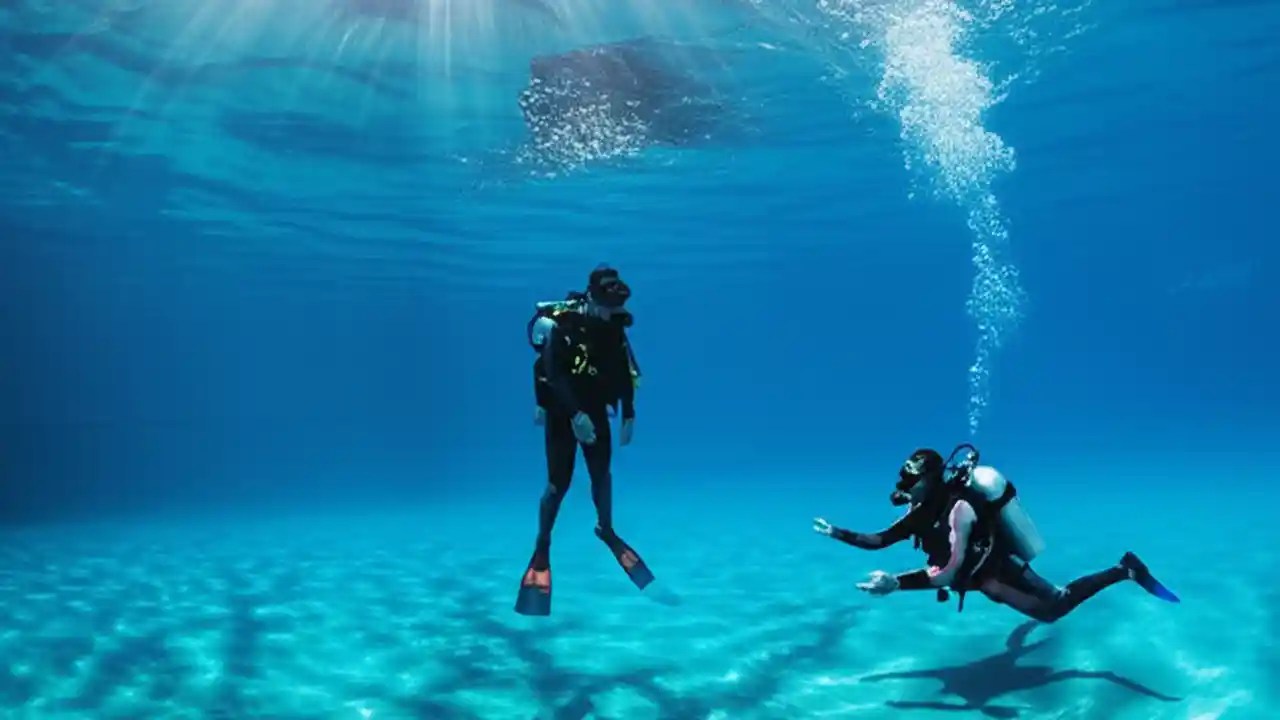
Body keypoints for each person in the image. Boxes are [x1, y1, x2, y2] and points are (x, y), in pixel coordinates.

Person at [812, 446, 1179, 623]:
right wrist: (836, 532)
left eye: (911, 479)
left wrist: (896, 583)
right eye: (905, 479)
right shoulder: (919, 512)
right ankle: (1122, 570)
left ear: (931, 479)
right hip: (978, 577)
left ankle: (1124, 570)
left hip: (1000, 567)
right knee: (995, 591)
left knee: (1056, 606)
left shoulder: (960, 510)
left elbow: (953, 571)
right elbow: (879, 540)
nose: (904, 487)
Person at [515, 264, 653, 616]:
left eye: (617, 308)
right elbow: (553, 373)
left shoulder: (612, 327)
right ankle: (542, 545)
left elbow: (625, 370)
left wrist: (629, 411)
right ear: (592, 298)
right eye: (608, 307)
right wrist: (574, 415)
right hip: (564, 413)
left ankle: (606, 529)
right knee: (557, 483)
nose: (613, 315)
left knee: (601, 476)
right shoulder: (565, 326)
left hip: (594, 410)